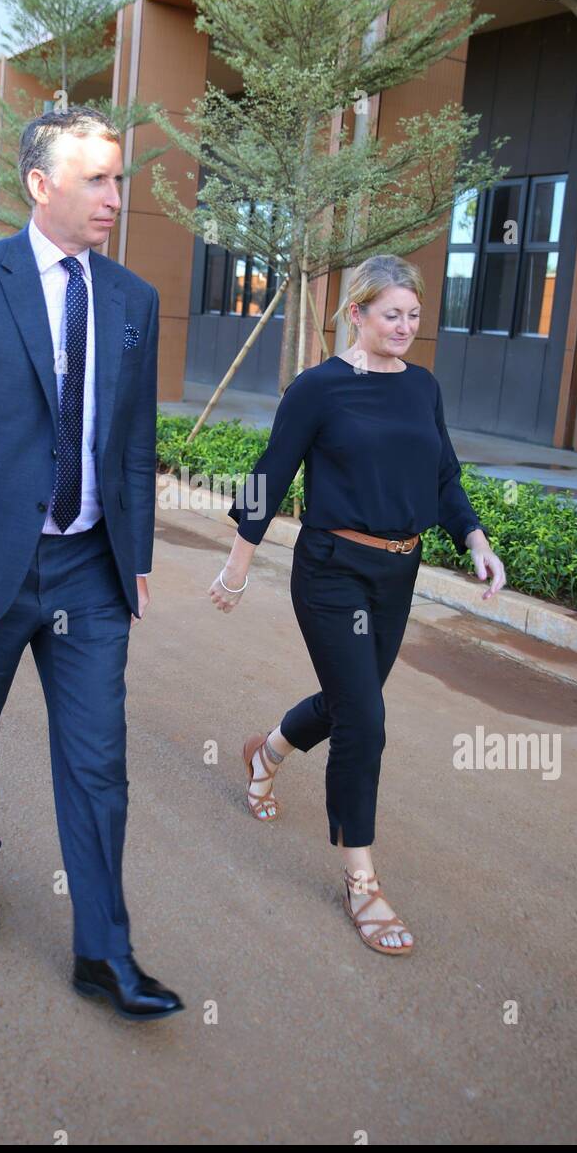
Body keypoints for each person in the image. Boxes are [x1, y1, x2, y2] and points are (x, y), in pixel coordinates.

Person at [0, 106, 183, 1021]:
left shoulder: (132, 299)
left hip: (90, 570)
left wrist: (132, 551)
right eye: (95, 179)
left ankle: (104, 952)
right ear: (39, 185)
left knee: (99, 763)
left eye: (119, 177)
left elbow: (134, 442)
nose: (114, 196)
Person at [209, 254, 506, 957]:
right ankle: (362, 882)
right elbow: (269, 476)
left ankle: (268, 753)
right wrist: (237, 567)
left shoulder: (422, 389)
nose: (404, 327)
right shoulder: (318, 390)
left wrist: (475, 539)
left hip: (398, 573)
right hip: (333, 568)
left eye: (412, 316)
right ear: (357, 315)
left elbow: (442, 475)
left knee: (354, 699)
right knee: (365, 720)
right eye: (390, 314)